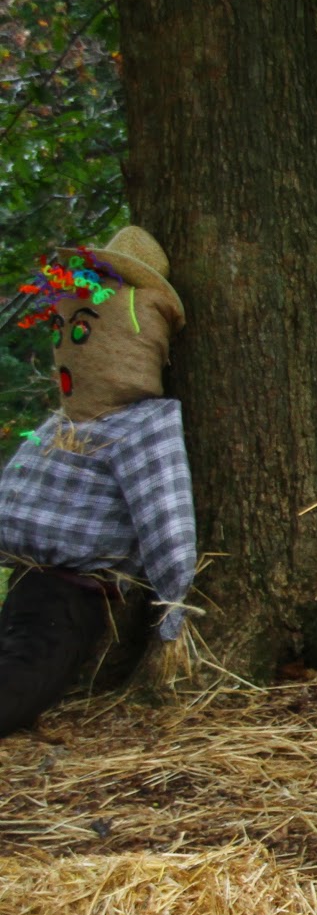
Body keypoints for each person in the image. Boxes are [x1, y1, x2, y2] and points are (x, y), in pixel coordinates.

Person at [0, 228, 195, 735]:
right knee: (18, 682)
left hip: (69, 593)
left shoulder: (140, 427)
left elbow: (165, 518)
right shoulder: (64, 424)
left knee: (22, 678)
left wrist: (174, 607)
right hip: (35, 586)